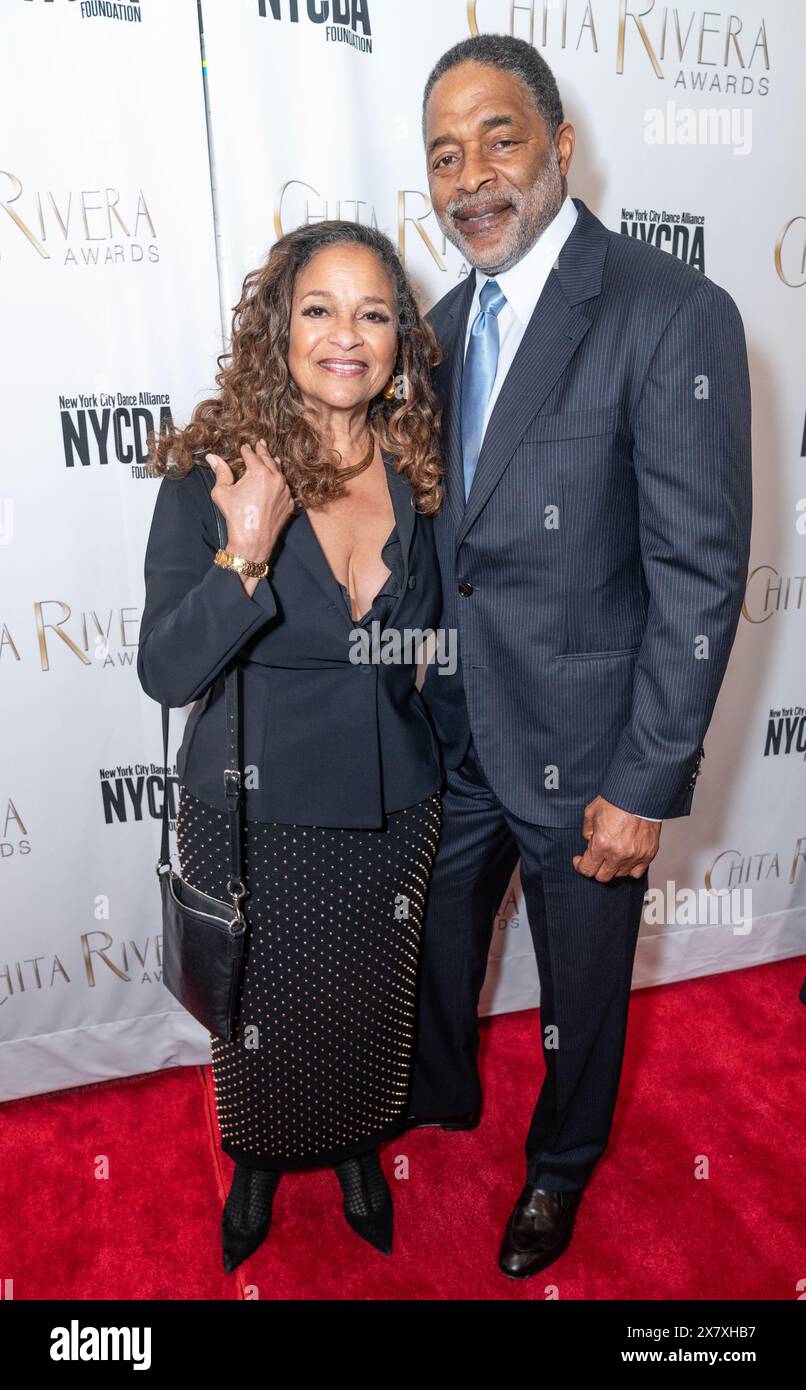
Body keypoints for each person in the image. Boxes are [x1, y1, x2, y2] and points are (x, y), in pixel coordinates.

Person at [406, 34, 752, 1279]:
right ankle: (436, 1096)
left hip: (592, 756)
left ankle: (559, 1165)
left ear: (559, 145)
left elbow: (700, 572)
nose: (471, 176)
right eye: (444, 155)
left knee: (581, 996)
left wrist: (645, 781)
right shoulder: (436, 330)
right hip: (456, 745)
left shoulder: (671, 313)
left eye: (498, 137)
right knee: (434, 944)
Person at [137, 220, 445, 1272]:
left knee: (365, 1010)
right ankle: (257, 1168)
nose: (345, 336)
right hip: (253, 818)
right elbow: (165, 671)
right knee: (258, 1022)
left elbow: (421, 640)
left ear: (399, 338)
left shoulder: (417, 471)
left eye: (372, 313)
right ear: (280, 326)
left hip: (393, 813)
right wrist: (246, 550)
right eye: (319, 308)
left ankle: (359, 1150)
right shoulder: (214, 473)